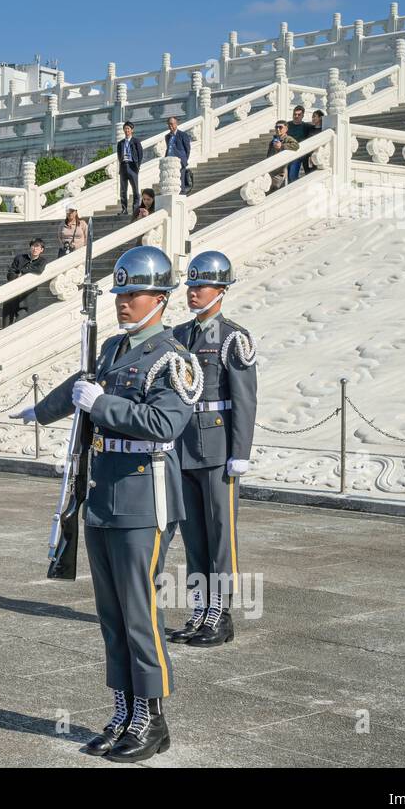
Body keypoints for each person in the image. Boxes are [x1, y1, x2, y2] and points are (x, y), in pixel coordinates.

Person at [10, 245, 197, 763]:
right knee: (111, 614)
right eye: (120, 293)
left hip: (144, 497)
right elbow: (82, 384)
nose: (123, 302)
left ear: (159, 299)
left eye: (133, 294)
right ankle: (124, 711)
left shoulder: (174, 359)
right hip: (102, 494)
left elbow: (163, 424)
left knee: (140, 614)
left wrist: (104, 406)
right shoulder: (114, 349)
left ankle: (153, 720)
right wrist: (42, 411)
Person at [168, 251, 258, 648]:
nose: (193, 293)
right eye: (190, 285)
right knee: (194, 536)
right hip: (184, 444)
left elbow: (244, 399)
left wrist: (240, 452)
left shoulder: (233, 338)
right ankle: (200, 610)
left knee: (221, 535)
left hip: (219, 448)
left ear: (221, 291)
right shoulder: (179, 335)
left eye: (201, 286)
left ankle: (221, 615)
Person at [1, 238, 48, 327]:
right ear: (30, 247)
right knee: (6, 326)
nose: (35, 249)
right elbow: (10, 273)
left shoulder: (42, 261)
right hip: (12, 295)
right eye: (33, 246)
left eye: (38, 247)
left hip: (28, 298)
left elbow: (38, 270)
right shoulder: (20, 258)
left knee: (20, 325)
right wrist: (17, 275)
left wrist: (21, 272)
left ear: (42, 250)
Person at [116, 121, 144, 215]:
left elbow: (140, 154)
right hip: (123, 166)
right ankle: (124, 209)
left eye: (128, 128)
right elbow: (119, 155)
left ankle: (135, 209)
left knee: (135, 189)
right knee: (123, 190)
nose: (127, 130)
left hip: (132, 167)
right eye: (125, 128)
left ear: (132, 130)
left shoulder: (136, 141)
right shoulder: (120, 143)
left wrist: (137, 166)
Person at [267, 120, 300, 188]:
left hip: (281, 171)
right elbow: (268, 155)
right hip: (271, 169)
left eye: (280, 127)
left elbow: (296, 145)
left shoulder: (288, 138)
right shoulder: (272, 141)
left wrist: (282, 145)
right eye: (276, 127)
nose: (278, 129)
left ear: (286, 129)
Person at [284, 106, 313, 182]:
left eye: (299, 114)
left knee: (292, 175)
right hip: (286, 153)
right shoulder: (287, 125)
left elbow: (316, 130)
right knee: (287, 178)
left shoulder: (306, 126)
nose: (296, 116)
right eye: (295, 114)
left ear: (303, 116)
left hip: (298, 154)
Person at [165, 116, 192, 192]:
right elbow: (168, 148)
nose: (170, 126)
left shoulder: (183, 135)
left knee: (181, 183)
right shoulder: (167, 137)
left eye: (172, 124)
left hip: (179, 162)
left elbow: (187, 149)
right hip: (170, 163)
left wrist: (184, 160)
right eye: (169, 124)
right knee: (171, 183)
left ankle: (182, 197)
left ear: (176, 124)